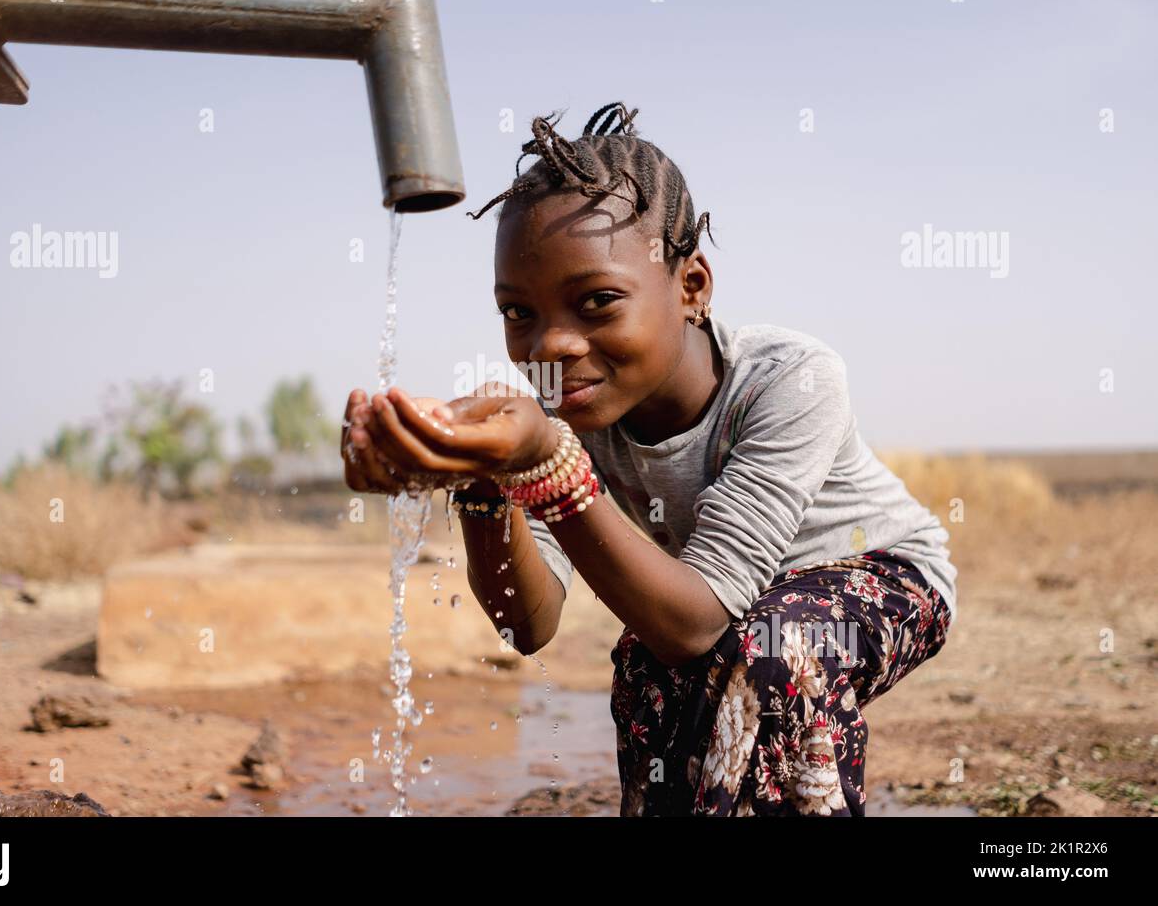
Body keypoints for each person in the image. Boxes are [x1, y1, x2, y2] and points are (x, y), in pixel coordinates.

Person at [340, 101, 956, 816]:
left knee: (768, 648)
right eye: (519, 313)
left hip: (884, 576)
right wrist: (486, 487)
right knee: (646, 659)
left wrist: (549, 468)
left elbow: (696, 622)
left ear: (691, 288)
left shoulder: (790, 377)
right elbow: (527, 625)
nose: (549, 348)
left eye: (597, 301)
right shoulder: (569, 412)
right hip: (733, 601)